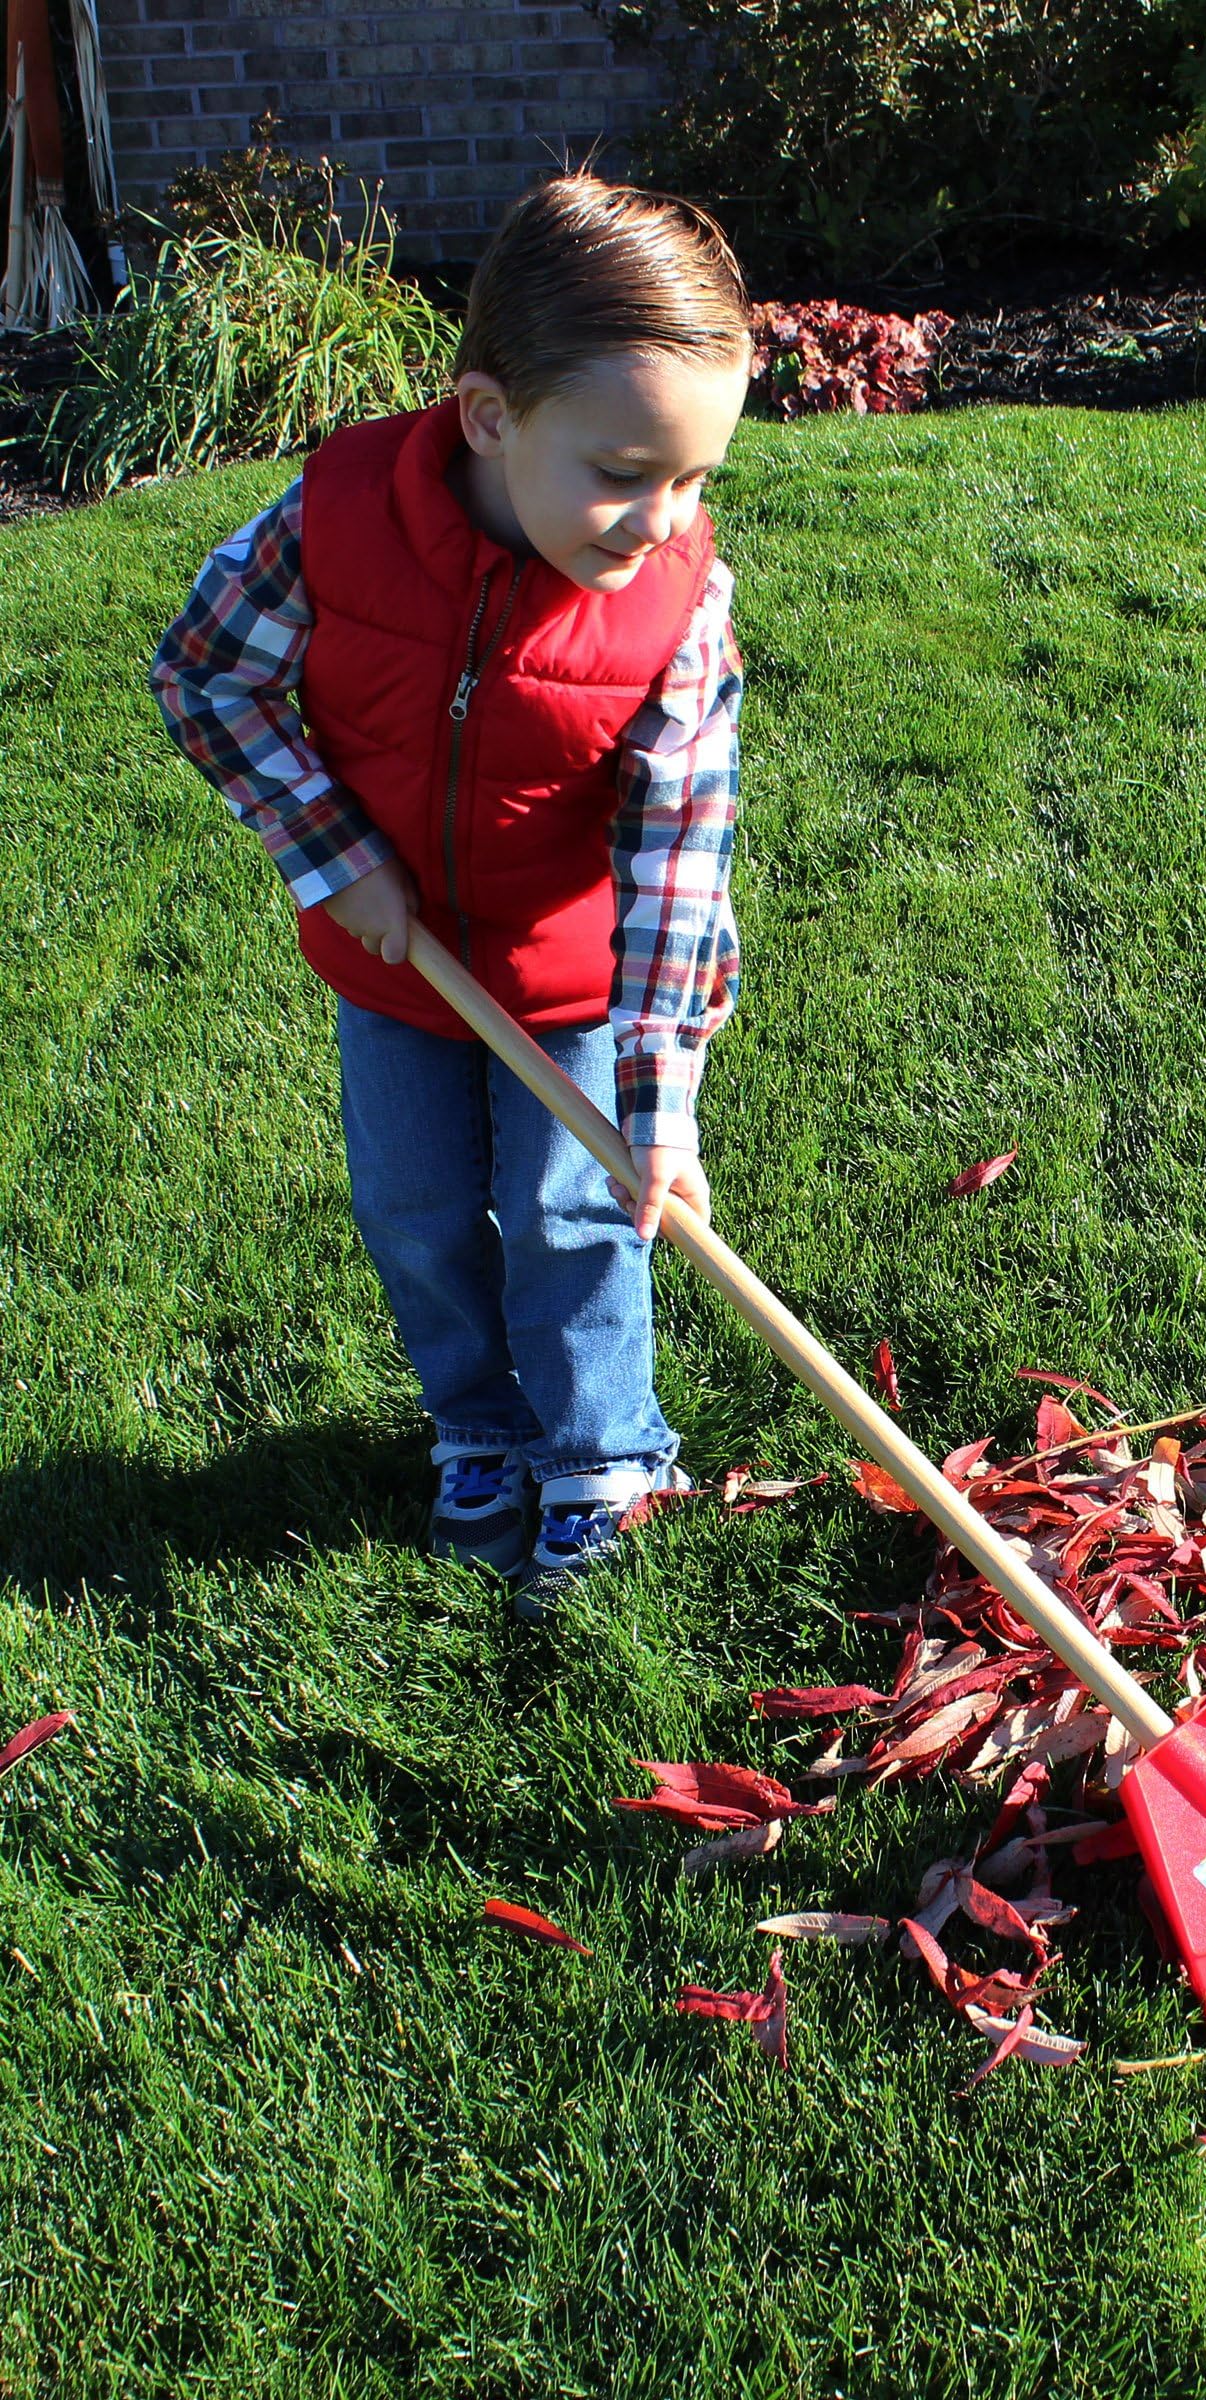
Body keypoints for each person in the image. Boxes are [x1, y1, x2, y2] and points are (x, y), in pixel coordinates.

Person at [152, 175, 751, 1617]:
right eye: (623, 471)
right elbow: (203, 674)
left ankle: (606, 1453)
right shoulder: (335, 520)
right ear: (489, 416)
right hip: (395, 958)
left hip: (576, 980)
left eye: (693, 479)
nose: (660, 518)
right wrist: (330, 846)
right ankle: (480, 1425)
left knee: (578, 1215)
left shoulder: (674, 601)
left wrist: (657, 1113)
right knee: (415, 1208)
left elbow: (681, 854)